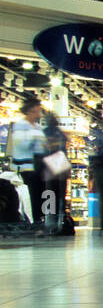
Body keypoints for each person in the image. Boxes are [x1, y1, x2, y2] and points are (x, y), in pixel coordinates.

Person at [10, 95, 47, 226]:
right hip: (26, 166)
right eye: (36, 111)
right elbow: (21, 144)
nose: (38, 113)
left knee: (41, 192)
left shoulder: (37, 126)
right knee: (33, 193)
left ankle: (41, 218)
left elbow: (42, 146)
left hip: (39, 165)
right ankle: (35, 220)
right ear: (29, 111)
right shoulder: (20, 125)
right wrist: (35, 136)